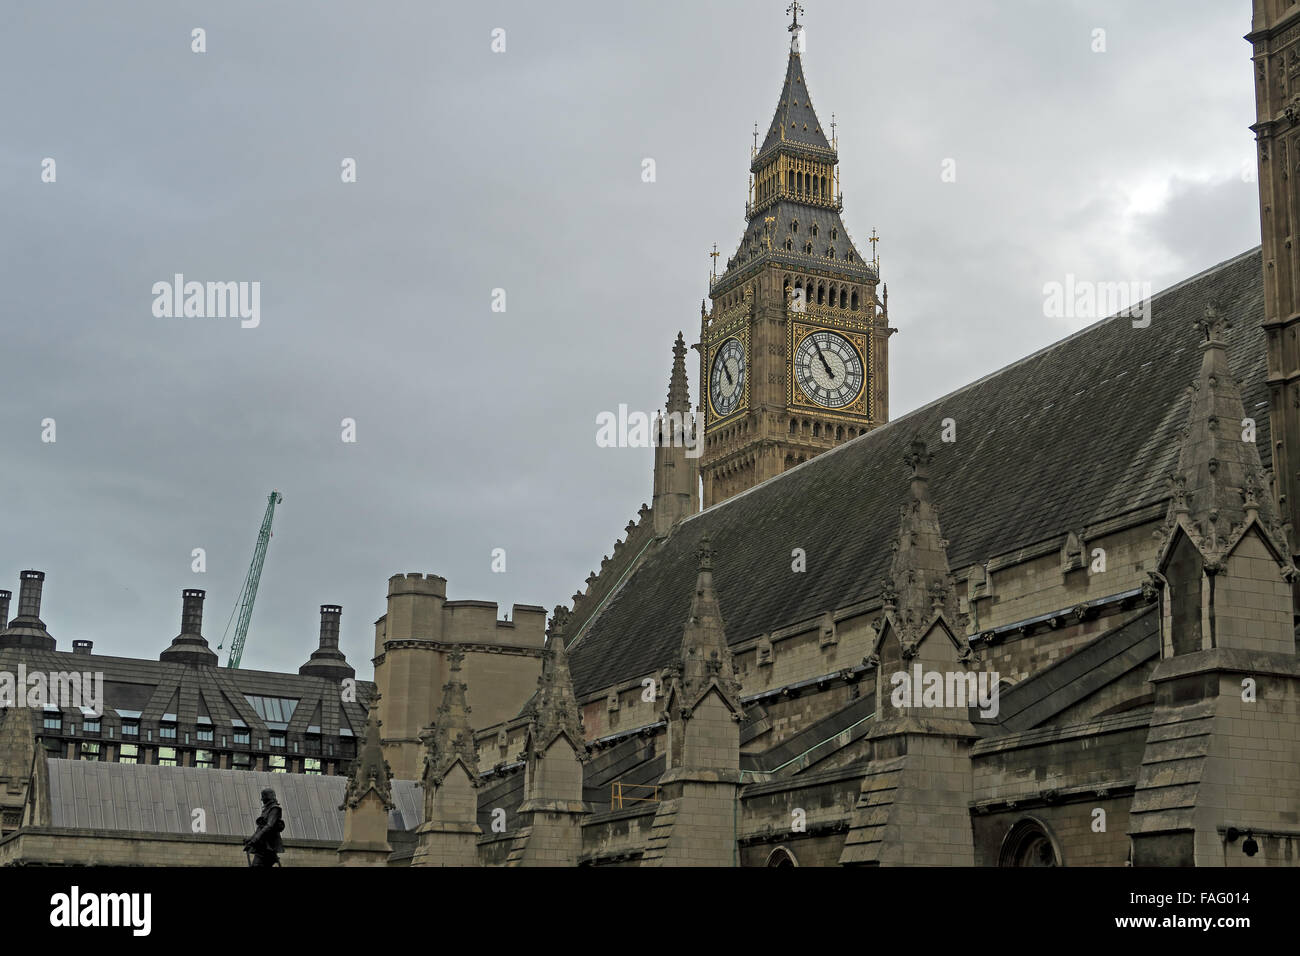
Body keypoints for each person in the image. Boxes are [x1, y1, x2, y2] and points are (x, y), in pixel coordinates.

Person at [243, 787, 285, 866]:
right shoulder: (266, 809)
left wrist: (255, 839)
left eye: (263, 798)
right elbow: (260, 828)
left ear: (267, 797)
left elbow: (269, 826)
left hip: (269, 847)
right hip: (262, 846)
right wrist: (251, 839)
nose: (262, 800)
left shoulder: (275, 809)